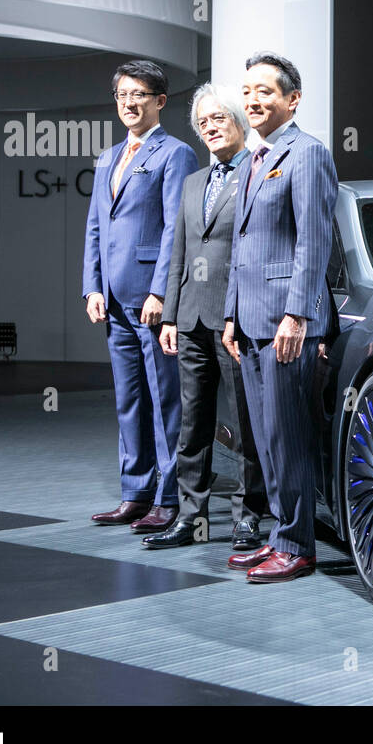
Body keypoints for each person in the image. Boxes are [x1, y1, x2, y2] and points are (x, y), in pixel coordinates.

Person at [222, 52, 337, 583]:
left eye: (265, 91)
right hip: (248, 322)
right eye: (247, 91)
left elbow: (314, 243)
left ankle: (297, 545)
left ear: (292, 99)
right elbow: (242, 247)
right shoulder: (251, 158)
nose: (253, 100)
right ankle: (278, 535)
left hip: (284, 324)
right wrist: (229, 316)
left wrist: (297, 316)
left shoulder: (306, 153)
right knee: (265, 437)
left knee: (288, 437)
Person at [142, 85, 268, 551]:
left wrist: (239, 311)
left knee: (244, 423)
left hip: (237, 321)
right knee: (192, 423)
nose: (211, 127)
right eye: (203, 123)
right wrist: (170, 315)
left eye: (219, 118)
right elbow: (178, 252)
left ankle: (247, 516)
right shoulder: (193, 182)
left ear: (239, 121)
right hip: (190, 319)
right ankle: (190, 516)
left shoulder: (258, 173)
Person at [83, 60, 197, 532]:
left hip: (150, 301)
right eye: (122, 95)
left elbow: (177, 228)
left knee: (165, 399)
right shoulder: (108, 157)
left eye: (140, 95)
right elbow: (95, 226)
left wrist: (160, 293)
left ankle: (169, 498)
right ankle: (135, 492)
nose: (129, 103)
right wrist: (91, 285)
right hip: (112, 299)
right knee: (129, 400)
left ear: (160, 101)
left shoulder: (176, 154)